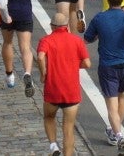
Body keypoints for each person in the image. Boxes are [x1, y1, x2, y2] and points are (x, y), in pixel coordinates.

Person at [82, 0, 124, 152]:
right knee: (122, 98)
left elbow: (88, 39)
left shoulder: (99, 18)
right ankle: (115, 130)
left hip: (108, 66)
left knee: (111, 104)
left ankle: (118, 135)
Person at [38, 11, 91, 156]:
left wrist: (43, 73)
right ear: (67, 26)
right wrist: (73, 64)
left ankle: (53, 145)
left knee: (49, 117)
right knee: (68, 129)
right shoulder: (76, 40)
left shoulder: (46, 40)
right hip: (71, 91)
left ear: (52, 26)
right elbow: (87, 63)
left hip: (53, 88)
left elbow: (41, 56)